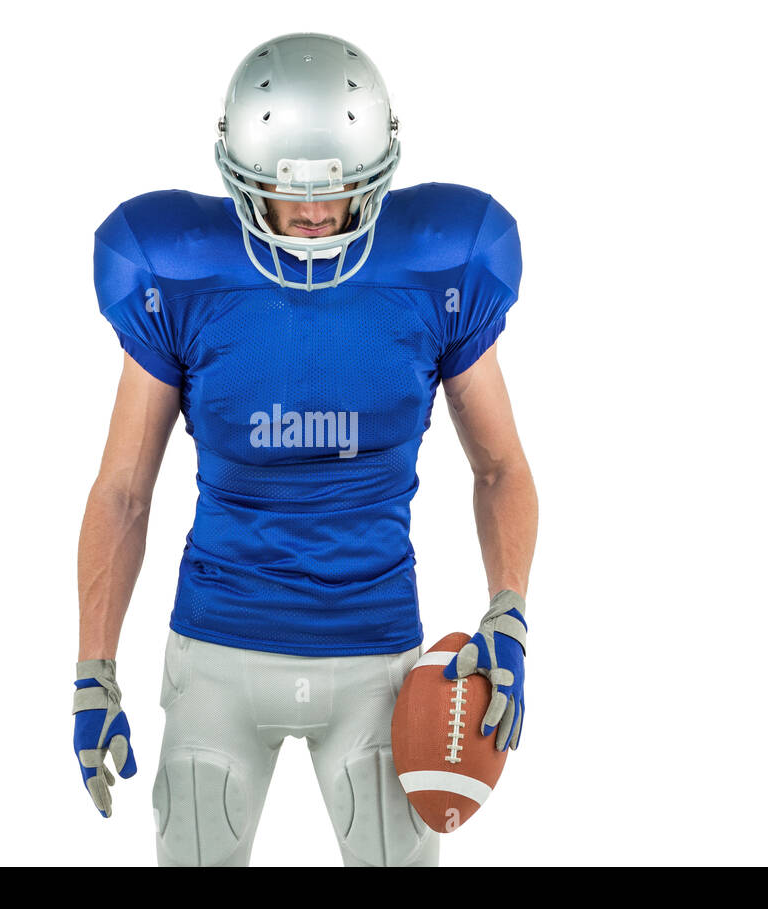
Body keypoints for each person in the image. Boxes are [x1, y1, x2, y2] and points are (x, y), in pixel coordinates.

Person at [72, 32, 538, 866]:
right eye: (290, 197)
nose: (318, 215)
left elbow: (500, 467)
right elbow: (123, 491)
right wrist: (92, 662)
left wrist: (509, 609)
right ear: (239, 179)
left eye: (344, 191)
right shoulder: (178, 271)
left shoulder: (440, 268)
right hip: (218, 648)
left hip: (378, 657)